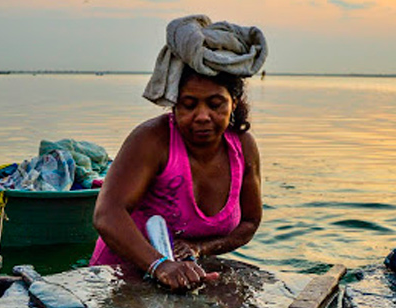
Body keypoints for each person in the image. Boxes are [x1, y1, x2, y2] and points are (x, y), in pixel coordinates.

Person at [89, 15, 268, 291]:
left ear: (234, 102)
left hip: (185, 279)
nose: (202, 116)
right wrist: (159, 264)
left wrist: (200, 248)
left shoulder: (243, 147)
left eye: (215, 104)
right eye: (189, 104)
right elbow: (107, 214)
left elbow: (249, 222)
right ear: (173, 104)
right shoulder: (152, 140)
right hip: (120, 279)